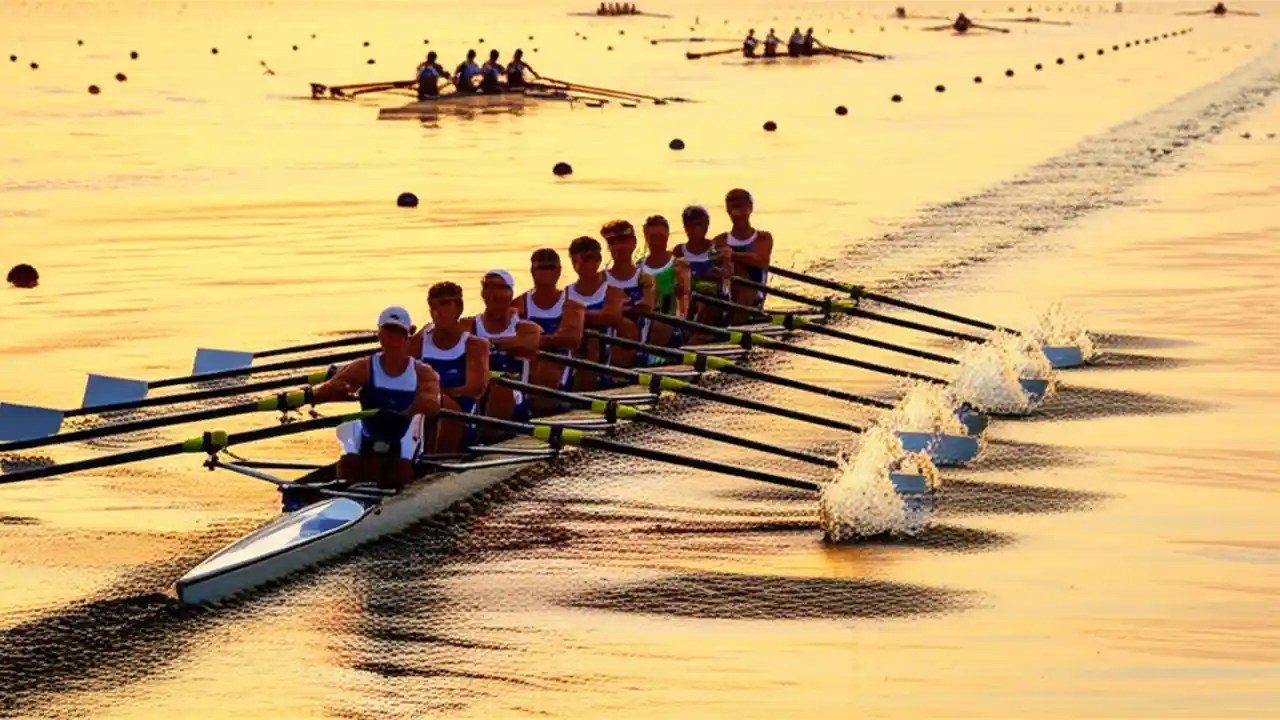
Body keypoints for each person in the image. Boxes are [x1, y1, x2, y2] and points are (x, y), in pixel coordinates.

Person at [310, 306, 441, 490]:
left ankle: (402, 494)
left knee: (402, 469)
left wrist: (409, 410)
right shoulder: (363, 367)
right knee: (348, 462)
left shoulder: (423, 373)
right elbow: (329, 388)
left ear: (407, 336)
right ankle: (348, 497)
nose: (392, 340)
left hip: (405, 438)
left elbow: (432, 404)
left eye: (398, 333)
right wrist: (309, 396)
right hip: (370, 434)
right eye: (387, 333)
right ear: (379, 336)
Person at [409, 282, 490, 454]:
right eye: (433, 306)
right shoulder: (418, 343)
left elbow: (475, 389)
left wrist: (436, 396)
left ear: (458, 308)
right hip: (425, 415)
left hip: (462, 419)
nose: (437, 312)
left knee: (438, 404)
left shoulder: (475, 345)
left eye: (445, 305)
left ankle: (436, 460)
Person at [461, 270, 542, 424]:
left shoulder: (526, 328)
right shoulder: (467, 324)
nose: (492, 293)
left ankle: (488, 435)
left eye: (498, 287)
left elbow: (529, 345)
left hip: (512, 393)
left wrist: (483, 344)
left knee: (499, 388)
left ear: (510, 293)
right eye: (487, 287)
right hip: (475, 392)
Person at [516, 248, 586, 410]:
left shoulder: (572, 305)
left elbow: (571, 339)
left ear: (559, 271)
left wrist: (533, 340)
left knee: (545, 366)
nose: (546, 273)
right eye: (541, 268)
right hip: (527, 369)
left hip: (561, 372)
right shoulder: (518, 304)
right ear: (533, 271)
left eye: (550, 268)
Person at [567, 235, 639, 389]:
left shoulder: (612, 292)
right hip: (578, 354)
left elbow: (609, 316)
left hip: (608, 354)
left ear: (598, 261)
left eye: (587, 259)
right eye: (577, 260)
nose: (582, 264)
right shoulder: (566, 293)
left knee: (620, 328)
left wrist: (578, 316)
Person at [713, 188, 774, 320]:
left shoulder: (763, 238)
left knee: (738, 272)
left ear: (750, 208)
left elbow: (760, 260)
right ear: (728, 210)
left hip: (753, 297)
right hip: (726, 295)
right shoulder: (720, 240)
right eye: (732, 202)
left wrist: (732, 255)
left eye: (741, 202)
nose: (736, 205)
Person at [675, 205, 733, 327]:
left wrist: (719, 271)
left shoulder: (717, 248)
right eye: (689, 225)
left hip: (715, 299)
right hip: (689, 297)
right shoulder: (679, 250)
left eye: (698, 224)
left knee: (704, 298)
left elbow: (727, 273)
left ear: (706, 225)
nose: (693, 229)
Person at [638, 215, 690, 348]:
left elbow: (684, 296)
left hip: (674, 324)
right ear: (646, 237)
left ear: (667, 235)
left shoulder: (679, 265)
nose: (657, 242)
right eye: (653, 237)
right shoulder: (638, 267)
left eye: (661, 237)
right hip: (645, 322)